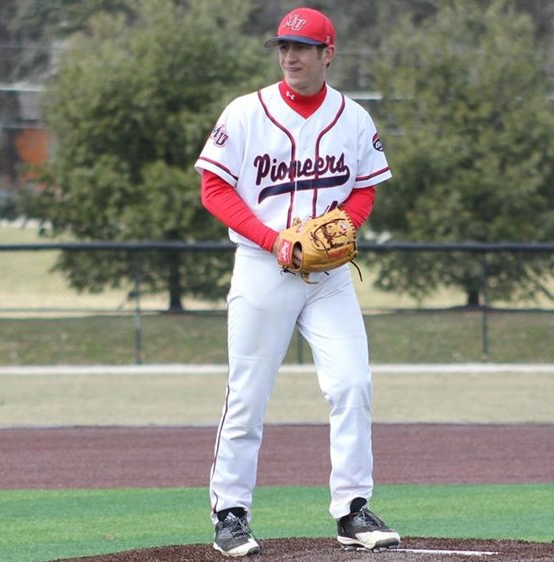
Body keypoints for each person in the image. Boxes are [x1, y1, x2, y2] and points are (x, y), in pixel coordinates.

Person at [194, 6, 401, 558]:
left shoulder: (353, 118)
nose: (290, 56)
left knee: (352, 385)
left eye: (303, 48)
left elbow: (364, 190)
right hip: (264, 269)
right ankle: (230, 513)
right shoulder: (245, 113)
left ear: (327, 54)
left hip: (329, 276)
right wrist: (273, 240)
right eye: (284, 47)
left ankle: (353, 510)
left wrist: (342, 227)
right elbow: (214, 189)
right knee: (248, 396)